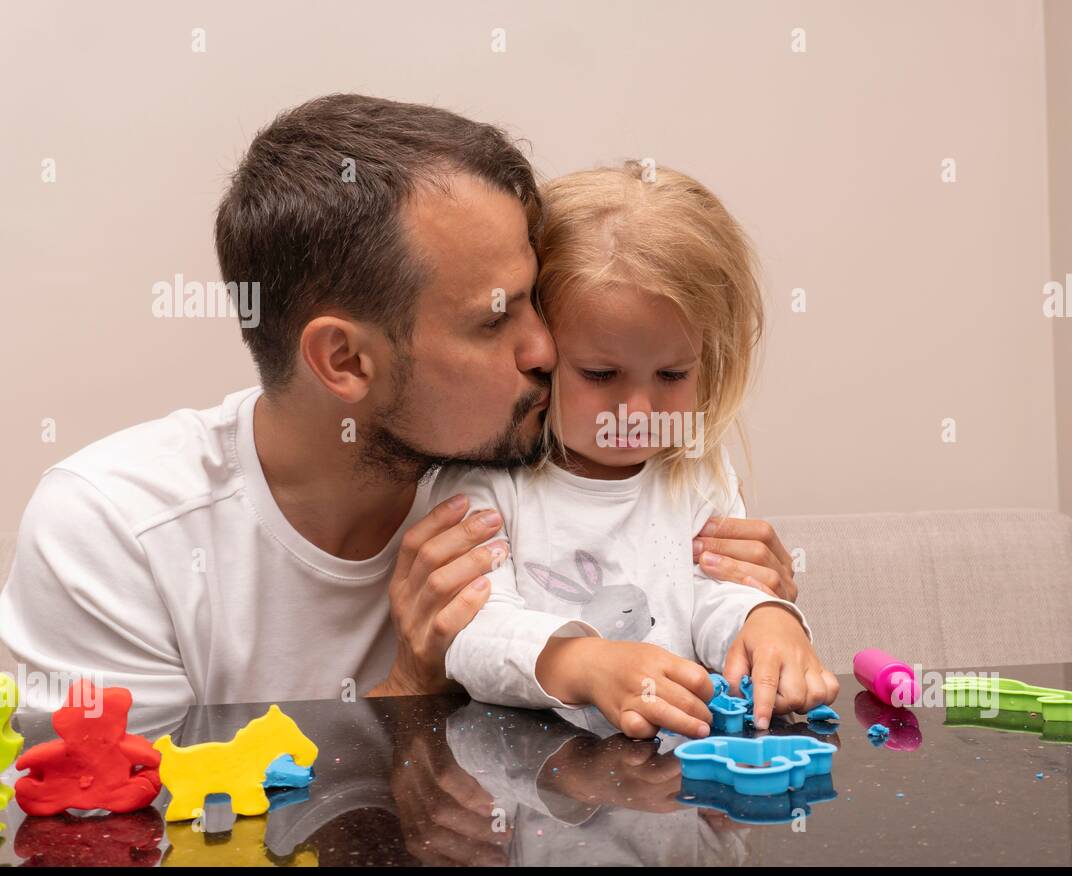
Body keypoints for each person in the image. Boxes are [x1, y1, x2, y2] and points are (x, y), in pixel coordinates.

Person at [0, 94, 801, 711]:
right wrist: (412, 690)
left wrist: (742, 601)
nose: (545, 352)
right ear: (345, 361)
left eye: (537, 304)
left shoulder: (537, 466)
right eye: (496, 318)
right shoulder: (114, 535)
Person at [433, 164, 837, 738]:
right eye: (601, 374)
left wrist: (765, 619)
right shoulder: (491, 480)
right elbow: (469, 632)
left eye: (672, 373)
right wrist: (582, 663)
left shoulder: (694, 469)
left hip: (676, 787)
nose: (639, 414)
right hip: (536, 792)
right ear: (540, 348)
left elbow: (714, 590)